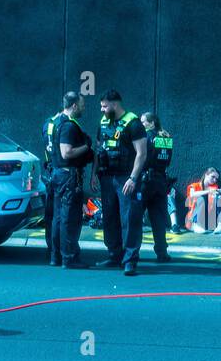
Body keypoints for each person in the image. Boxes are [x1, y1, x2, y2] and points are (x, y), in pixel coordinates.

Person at [94, 90, 149, 276]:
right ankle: (114, 255)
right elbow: (98, 148)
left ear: (115, 104)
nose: (102, 110)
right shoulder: (103, 123)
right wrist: (94, 174)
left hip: (126, 177)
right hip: (107, 177)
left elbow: (142, 154)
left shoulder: (133, 124)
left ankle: (130, 260)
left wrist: (133, 178)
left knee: (130, 219)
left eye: (104, 106)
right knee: (109, 218)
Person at [50, 92, 93, 269]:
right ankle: (69, 258)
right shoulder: (68, 127)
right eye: (82, 105)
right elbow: (66, 152)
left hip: (60, 175)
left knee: (59, 217)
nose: (84, 108)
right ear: (74, 105)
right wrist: (86, 146)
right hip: (69, 177)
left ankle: (56, 256)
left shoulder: (57, 122)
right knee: (70, 217)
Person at [41, 95, 74, 266]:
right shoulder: (66, 124)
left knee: (53, 216)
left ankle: (53, 254)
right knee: (64, 216)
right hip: (64, 172)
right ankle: (65, 256)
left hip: (51, 172)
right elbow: (66, 152)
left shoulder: (48, 123)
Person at [139, 113, 175, 263]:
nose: (141, 125)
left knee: (136, 217)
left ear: (152, 123)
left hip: (146, 180)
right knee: (158, 219)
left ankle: (132, 252)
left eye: (143, 122)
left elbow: (142, 157)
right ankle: (162, 252)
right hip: (161, 180)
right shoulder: (166, 137)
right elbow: (168, 160)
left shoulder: (146, 137)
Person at [186, 167, 221, 233]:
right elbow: (192, 194)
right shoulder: (194, 186)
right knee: (200, 198)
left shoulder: (214, 187)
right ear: (206, 175)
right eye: (212, 177)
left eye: (216, 179)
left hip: (209, 217)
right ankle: (195, 225)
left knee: (220, 198)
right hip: (193, 219)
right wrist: (208, 191)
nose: (214, 180)